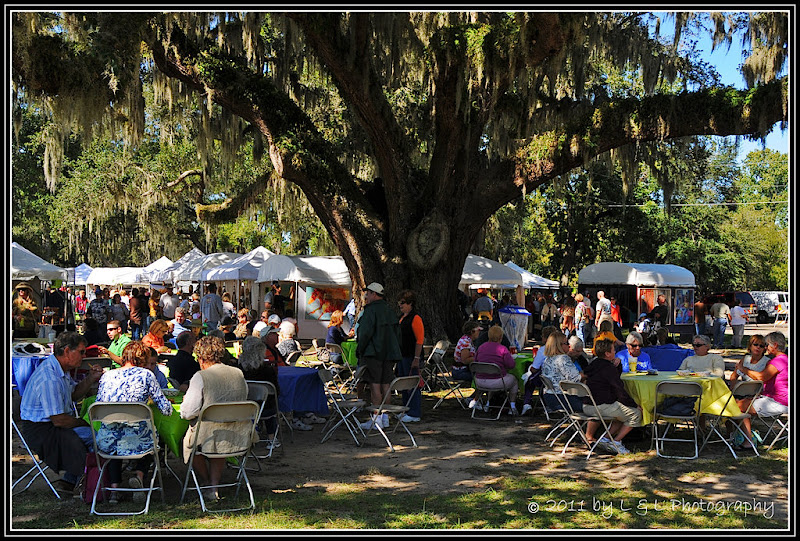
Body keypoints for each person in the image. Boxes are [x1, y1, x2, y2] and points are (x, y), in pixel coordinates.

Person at [18, 332, 103, 495]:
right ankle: (90, 483)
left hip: (51, 425)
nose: (84, 356)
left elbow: (73, 394)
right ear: (66, 351)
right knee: (99, 437)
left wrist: (90, 378)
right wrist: (84, 423)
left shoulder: (60, 369)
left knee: (95, 434)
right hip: (42, 431)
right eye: (81, 352)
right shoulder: (50, 378)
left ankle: (72, 480)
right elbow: (59, 420)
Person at [94, 340, 173, 503]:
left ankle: (114, 489)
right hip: (139, 442)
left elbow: (99, 404)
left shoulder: (107, 375)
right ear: (143, 359)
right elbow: (166, 410)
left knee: (114, 435)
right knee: (154, 439)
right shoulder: (147, 375)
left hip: (106, 442)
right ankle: (139, 474)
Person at [180, 335, 250, 503]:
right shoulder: (238, 373)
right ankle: (213, 485)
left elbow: (188, 412)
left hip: (209, 435)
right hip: (237, 434)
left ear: (200, 357)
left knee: (189, 441)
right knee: (218, 437)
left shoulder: (201, 377)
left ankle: (206, 482)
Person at [582, 338, 643, 455]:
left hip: (587, 405)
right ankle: (616, 441)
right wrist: (635, 405)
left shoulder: (594, 363)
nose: (615, 352)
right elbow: (619, 390)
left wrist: (617, 366)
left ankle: (605, 438)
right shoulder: (608, 368)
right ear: (607, 353)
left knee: (623, 413)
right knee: (635, 414)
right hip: (601, 405)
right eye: (613, 350)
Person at [731, 331, 788, 450]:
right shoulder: (785, 359)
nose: (765, 348)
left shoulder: (778, 361)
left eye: (766, 345)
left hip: (779, 402)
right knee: (740, 403)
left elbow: (761, 377)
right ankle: (744, 436)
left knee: (737, 406)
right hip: (775, 398)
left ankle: (748, 441)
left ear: (775, 345)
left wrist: (743, 369)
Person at [357, 282, 402, 431]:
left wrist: (360, 350)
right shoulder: (390, 310)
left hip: (373, 353)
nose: (366, 296)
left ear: (374, 294)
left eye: (368, 293)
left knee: (375, 386)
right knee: (386, 385)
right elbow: (397, 334)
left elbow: (364, 334)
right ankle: (385, 418)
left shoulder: (370, 311)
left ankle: (376, 420)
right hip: (389, 354)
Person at [235, 336, 281, 450]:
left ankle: (250, 433)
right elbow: (276, 392)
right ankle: (271, 438)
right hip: (264, 409)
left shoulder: (238, 369)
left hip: (242, 408)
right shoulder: (268, 371)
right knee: (270, 402)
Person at [473, 325, 519, 415]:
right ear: (501, 337)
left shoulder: (481, 347)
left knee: (491, 375)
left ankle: (488, 403)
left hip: (479, 381)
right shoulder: (503, 349)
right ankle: (512, 406)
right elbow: (511, 365)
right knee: (514, 380)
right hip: (497, 381)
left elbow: (476, 362)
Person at [395, 290, 424, 423]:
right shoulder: (402, 318)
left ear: (410, 304)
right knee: (403, 385)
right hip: (402, 356)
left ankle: (414, 412)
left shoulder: (415, 318)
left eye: (403, 303)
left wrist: (416, 358)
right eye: (399, 303)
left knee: (412, 384)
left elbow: (419, 340)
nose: (400, 305)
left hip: (411, 356)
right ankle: (406, 409)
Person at [540, 330, 583, 413]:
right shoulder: (563, 358)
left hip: (549, 397)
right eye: (566, 343)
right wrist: (584, 375)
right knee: (593, 403)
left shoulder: (547, 359)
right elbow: (576, 378)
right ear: (559, 345)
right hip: (564, 399)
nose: (569, 345)